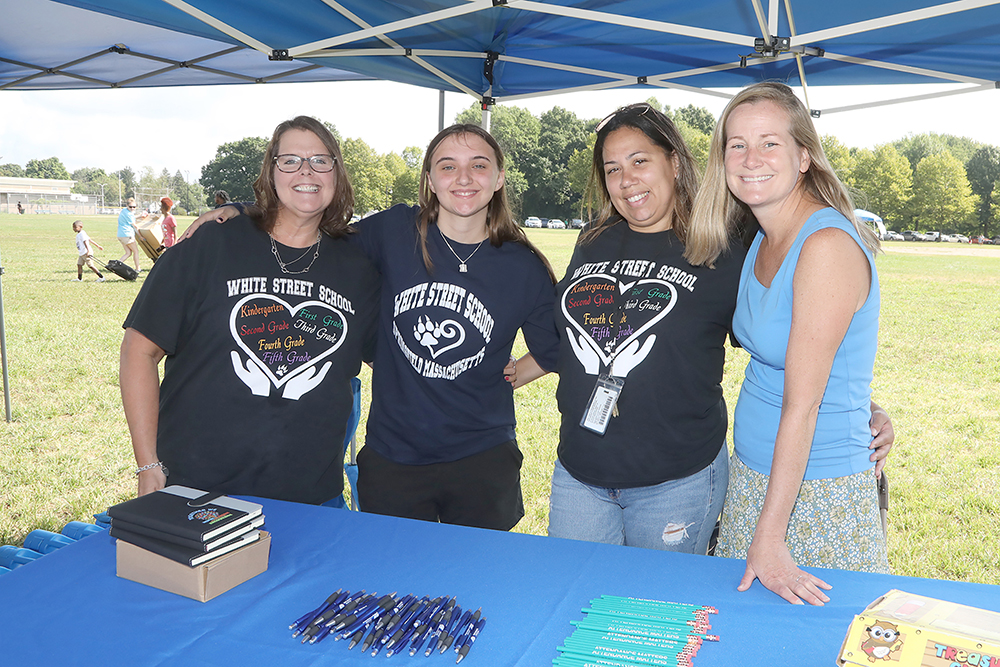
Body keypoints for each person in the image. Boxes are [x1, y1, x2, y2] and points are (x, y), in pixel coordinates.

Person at [505, 103, 894, 555]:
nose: (626, 179)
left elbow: (800, 340)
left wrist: (863, 406)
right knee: (575, 588)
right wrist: (502, 374)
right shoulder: (593, 239)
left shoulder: (724, 246)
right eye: (612, 169)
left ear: (673, 162)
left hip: (675, 478)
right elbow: (573, 336)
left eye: (639, 161)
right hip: (581, 467)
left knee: (661, 600)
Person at [188, 124, 559, 531]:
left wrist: (512, 373)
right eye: (448, 166)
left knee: (478, 566)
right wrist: (243, 209)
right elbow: (315, 221)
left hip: (483, 455)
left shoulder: (523, 265)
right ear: (430, 179)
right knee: (392, 564)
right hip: (395, 454)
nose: (464, 178)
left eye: (479, 165)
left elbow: (555, 346)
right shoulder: (395, 231)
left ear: (499, 177)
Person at [691, 81, 889, 605]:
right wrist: (869, 404)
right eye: (737, 144)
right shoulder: (762, 236)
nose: (750, 158)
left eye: (769, 143)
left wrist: (770, 535)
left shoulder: (824, 245)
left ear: (804, 156)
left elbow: (804, 404)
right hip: (757, 475)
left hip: (815, 492)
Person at [119, 116, 379, 505]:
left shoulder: (358, 267)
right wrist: (147, 464)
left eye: (320, 160)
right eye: (290, 160)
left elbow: (394, 360)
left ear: (337, 173)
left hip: (311, 499)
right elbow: (139, 350)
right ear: (270, 173)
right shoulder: (210, 243)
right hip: (197, 491)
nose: (306, 171)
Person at [117, 197, 142, 273]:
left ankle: (117, 264)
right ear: (127, 205)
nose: (132, 208)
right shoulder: (129, 214)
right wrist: (140, 236)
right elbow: (135, 226)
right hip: (127, 235)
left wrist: (140, 216)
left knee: (128, 253)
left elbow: (131, 218)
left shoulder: (124, 210)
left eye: (134, 207)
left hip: (120, 235)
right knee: (136, 251)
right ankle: (138, 268)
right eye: (130, 207)